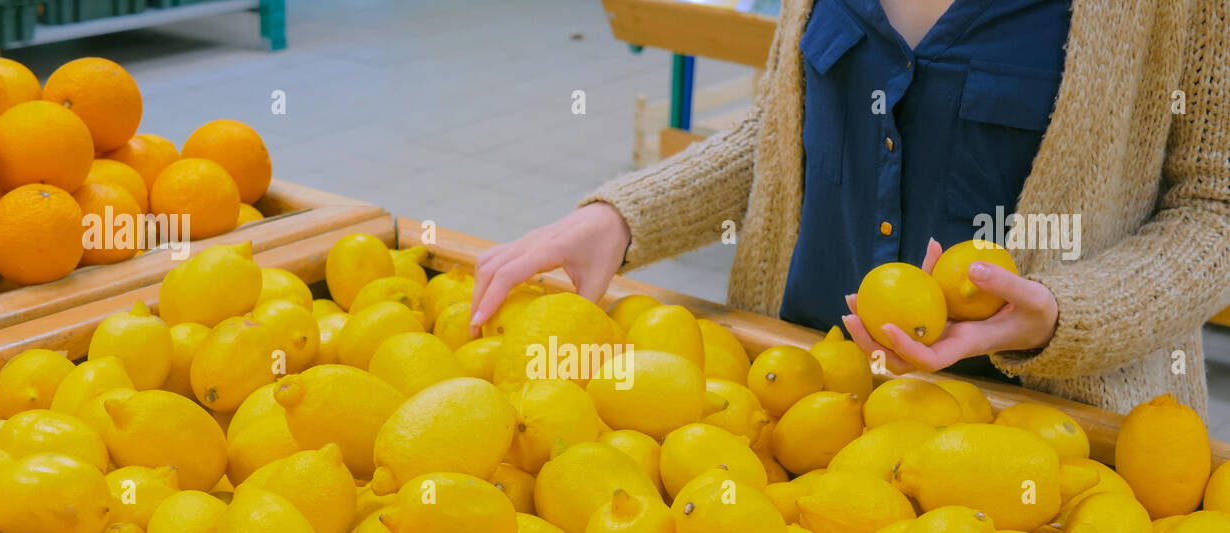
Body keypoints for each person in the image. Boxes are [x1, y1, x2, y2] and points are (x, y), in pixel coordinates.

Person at [471, 0, 1229, 418]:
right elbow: (789, 132)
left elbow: (1214, 207)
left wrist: (1064, 315)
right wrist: (623, 216)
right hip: (800, 421)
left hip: (1043, 463)